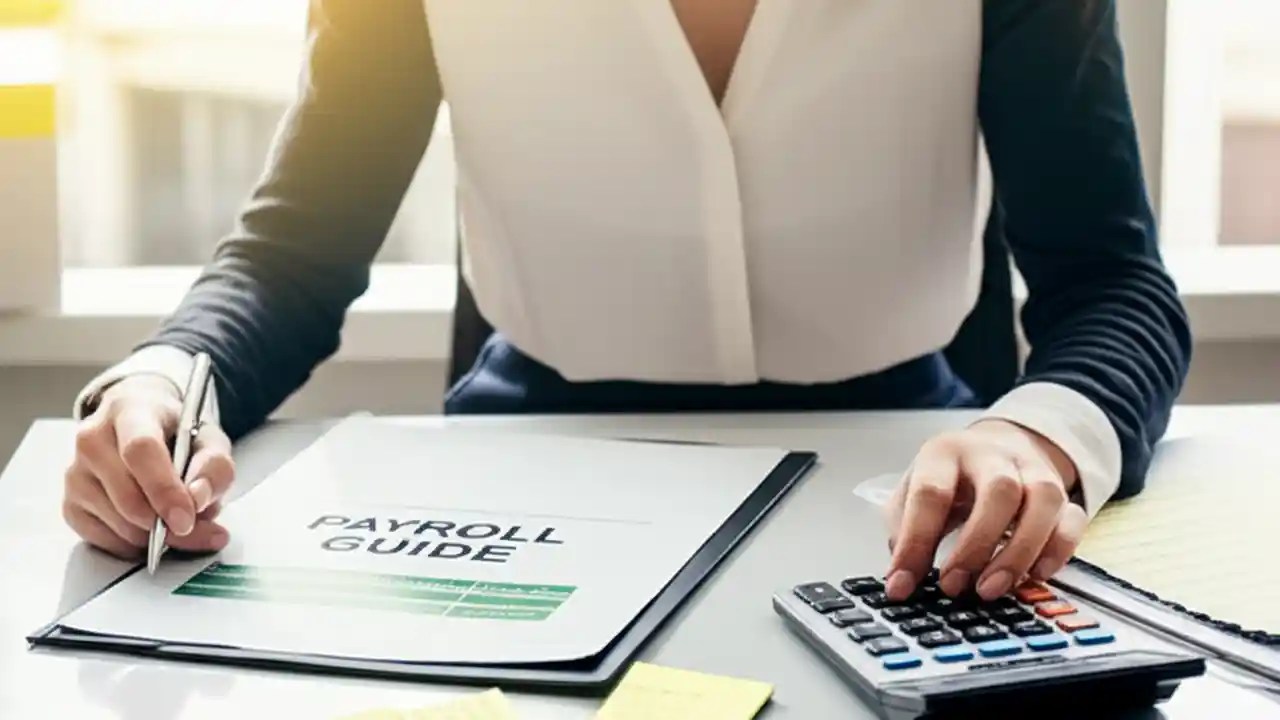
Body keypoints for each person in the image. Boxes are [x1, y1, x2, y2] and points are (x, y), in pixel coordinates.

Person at [62, 0, 1190, 603]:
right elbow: (293, 253)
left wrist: (1040, 434)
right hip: (522, 486)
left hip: (902, 503)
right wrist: (170, 377)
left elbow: (1113, 284)